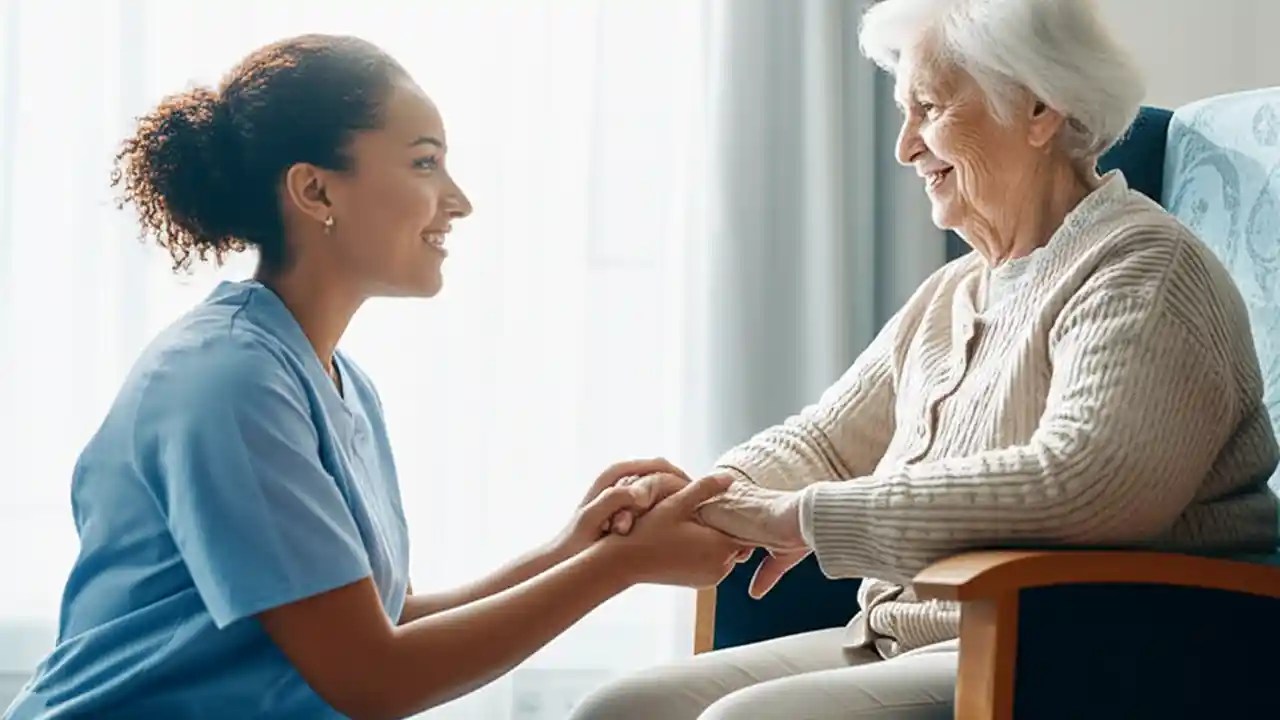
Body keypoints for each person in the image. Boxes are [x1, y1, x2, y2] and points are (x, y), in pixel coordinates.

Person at [4, 34, 753, 720]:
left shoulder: (331, 380)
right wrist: (619, 567)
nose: (457, 200)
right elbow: (372, 678)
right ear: (316, 191)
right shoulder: (227, 382)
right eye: (425, 162)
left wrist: (575, 549)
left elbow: (373, 628)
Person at [571, 0, 1280, 718]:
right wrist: (713, 494)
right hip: (906, 636)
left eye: (931, 109)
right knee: (623, 708)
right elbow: (827, 440)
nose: (906, 147)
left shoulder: (1143, 269)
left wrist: (799, 517)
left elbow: (1081, 483)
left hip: (1096, 650)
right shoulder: (956, 290)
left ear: (1040, 107)